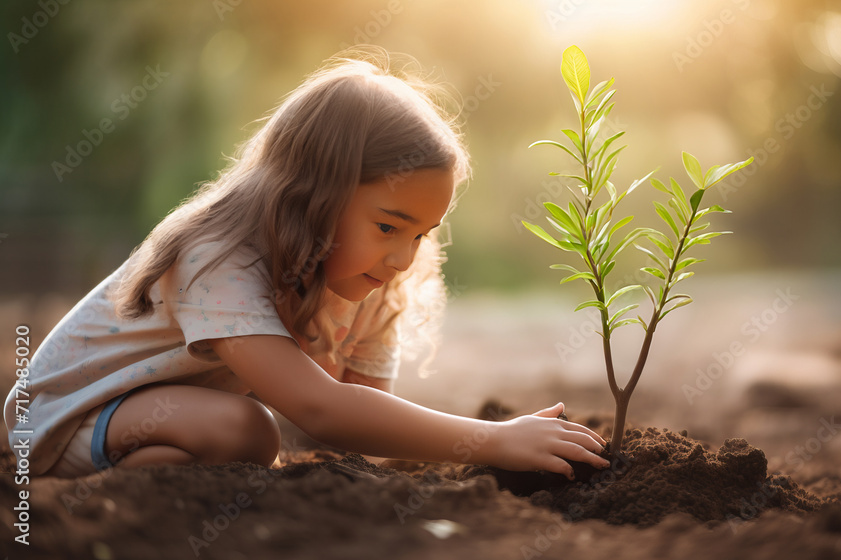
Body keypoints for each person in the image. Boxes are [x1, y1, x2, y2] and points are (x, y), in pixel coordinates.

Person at [3, 47, 608, 481]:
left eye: (422, 234)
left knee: (240, 436)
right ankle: (98, 490)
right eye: (388, 226)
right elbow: (323, 411)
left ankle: (156, 476)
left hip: (168, 417)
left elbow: (369, 420)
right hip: (59, 422)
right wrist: (492, 441)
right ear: (312, 196)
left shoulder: (379, 282)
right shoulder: (218, 257)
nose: (403, 257)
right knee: (249, 433)